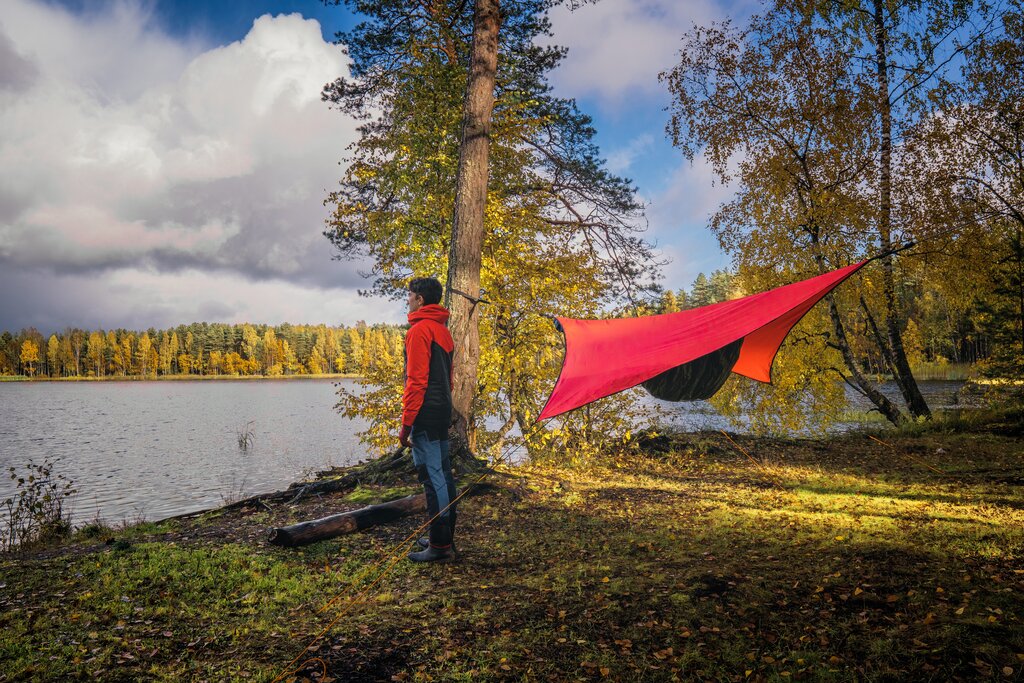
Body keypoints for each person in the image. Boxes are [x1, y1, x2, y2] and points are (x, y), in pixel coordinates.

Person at [400, 277, 457, 563]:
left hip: (425, 411)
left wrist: (406, 424)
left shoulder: (420, 331)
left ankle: (440, 546)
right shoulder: (442, 331)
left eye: (409, 296)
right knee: (444, 473)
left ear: (420, 300)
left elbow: (416, 382)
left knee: (432, 478)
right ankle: (444, 536)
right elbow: (449, 380)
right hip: (442, 409)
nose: (407, 300)